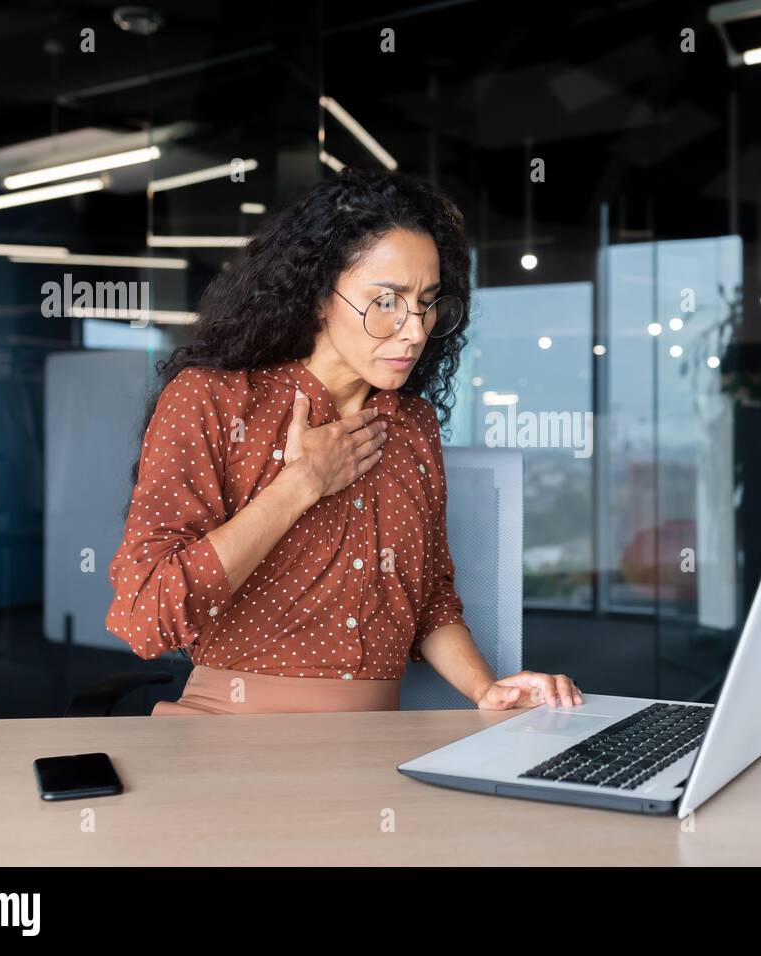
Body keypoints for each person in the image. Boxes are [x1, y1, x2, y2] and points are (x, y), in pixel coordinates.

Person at [105, 166, 581, 716]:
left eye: (427, 302)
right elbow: (148, 615)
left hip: (376, 745)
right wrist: (301, 484)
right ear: (317, 296)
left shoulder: (412, 426)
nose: (415, 328)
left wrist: (484, 688)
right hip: (226, 734)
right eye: (387, 301)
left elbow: (428, 601)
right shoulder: (212, 400)